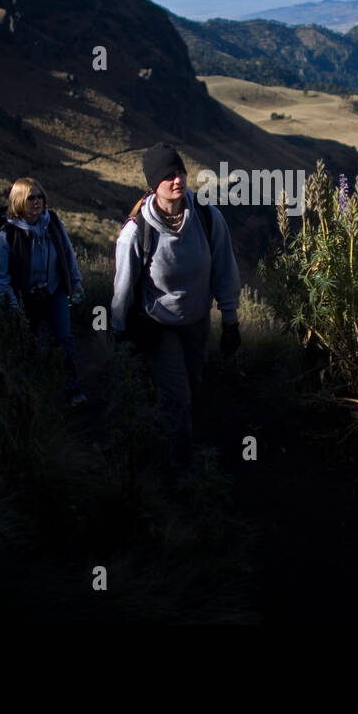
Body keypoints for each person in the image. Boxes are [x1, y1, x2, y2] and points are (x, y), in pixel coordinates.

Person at [111, 143, 241, 477]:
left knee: (193, 386)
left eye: (179, 172)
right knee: (178, 397)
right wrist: (118, 329)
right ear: (154, 184)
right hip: (159, 325)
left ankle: (176, 433)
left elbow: (224, 269)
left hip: (197, 321)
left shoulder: (209, 217)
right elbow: (123, 287)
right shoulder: (135, 233)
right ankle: (181, 472)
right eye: (167, 176)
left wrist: (230, 320)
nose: (176, 180)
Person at [0, 177, 87, 406]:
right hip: (25, 299)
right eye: (30, 197)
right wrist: (13, 307)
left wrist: (75, 282)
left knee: (64, 340)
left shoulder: (52, 222)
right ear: (18, 202)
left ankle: (72, 391)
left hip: (54, 292)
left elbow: (67, 253)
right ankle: (31, 396)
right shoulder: (8, 235)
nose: (36, 201)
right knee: (28, 345)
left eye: (39, 196)